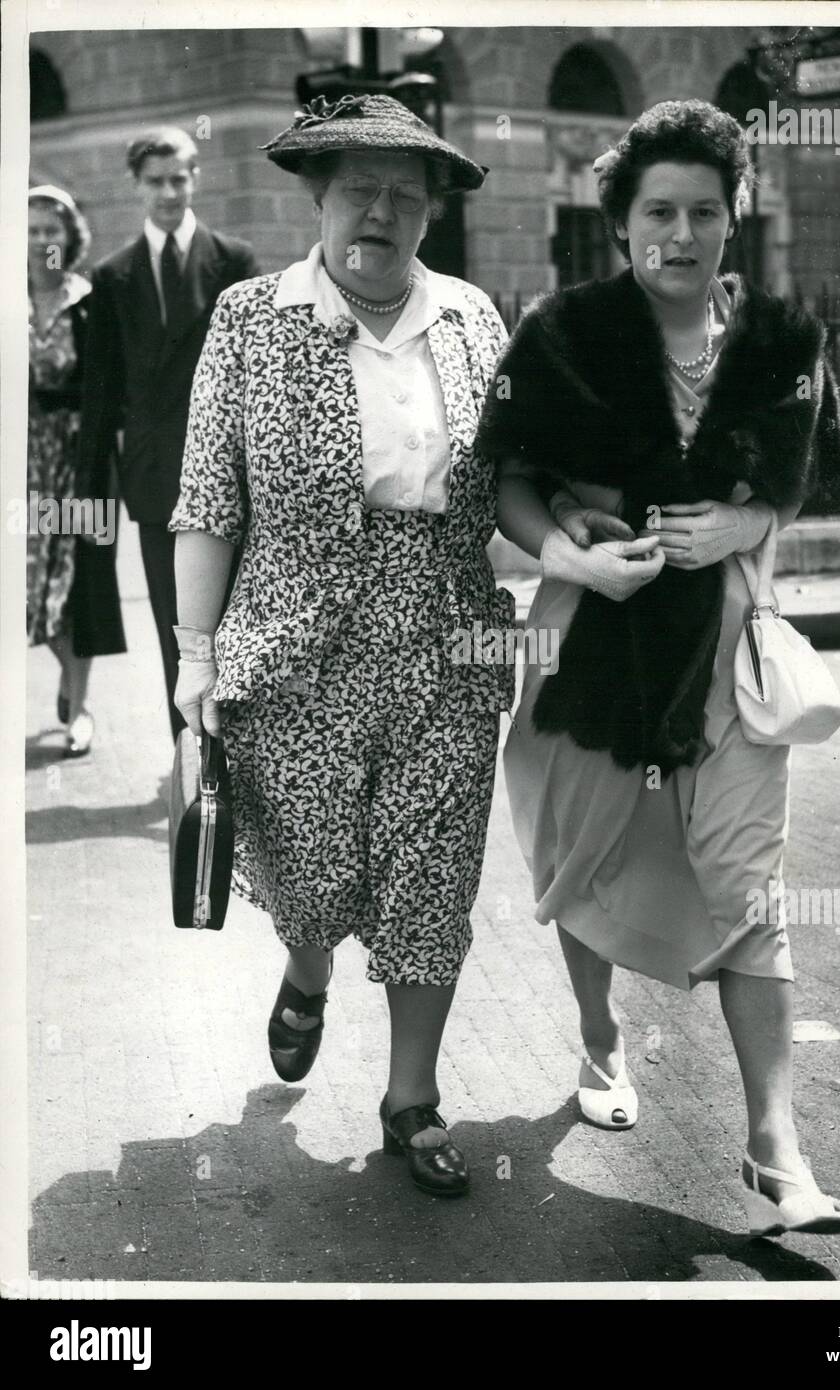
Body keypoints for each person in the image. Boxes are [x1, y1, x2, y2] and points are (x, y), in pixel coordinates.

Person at [481, 100, 840, 1237]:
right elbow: (506, 477)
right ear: (621, 222)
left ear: (733, 219)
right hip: (591, 642)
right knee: (581, 855)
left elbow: (815, 468)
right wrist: (569, 553)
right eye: (659, 212)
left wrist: (747, 529)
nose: (681, 234)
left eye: (705, 211)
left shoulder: (784, 344)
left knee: (751, 887)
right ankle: (599, 1038)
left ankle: (776, 1146)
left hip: (728, 655)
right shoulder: (563, 332)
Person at [170, 94, 515, 1197]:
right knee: (314, 874)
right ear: (317, 194)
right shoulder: (249, 319)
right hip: (294, 641)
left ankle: (411, 1095)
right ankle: (308, 964)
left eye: (406, 195)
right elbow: (207, 499)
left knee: (432, 880)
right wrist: (194, 656)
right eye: (360, 188)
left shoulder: (471, 319)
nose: (382, 210)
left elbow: (513, 486)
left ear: (430, 214)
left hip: (447, 638)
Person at [77, 127, 260, 739]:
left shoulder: (234, 260)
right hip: (157, 483)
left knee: (238, 621)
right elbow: (100, 392)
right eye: (155, 181)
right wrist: (89, 491)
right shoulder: (113, 276)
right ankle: (192, 762)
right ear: (137, 186)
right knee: (176, 630)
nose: (168, 192)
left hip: (234, 478)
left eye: (179, 178)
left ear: (196, 177)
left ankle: (241, 754)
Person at [27, 185, 126, 757]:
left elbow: (108, 389)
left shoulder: (90, 303)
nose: (43, 241)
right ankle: (68, 680)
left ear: (71, 237)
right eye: (32, 230)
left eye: (52, 230)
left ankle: (79, 704)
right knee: (28, 591)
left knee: (77, 587)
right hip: (21, 465)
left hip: (79, 463)